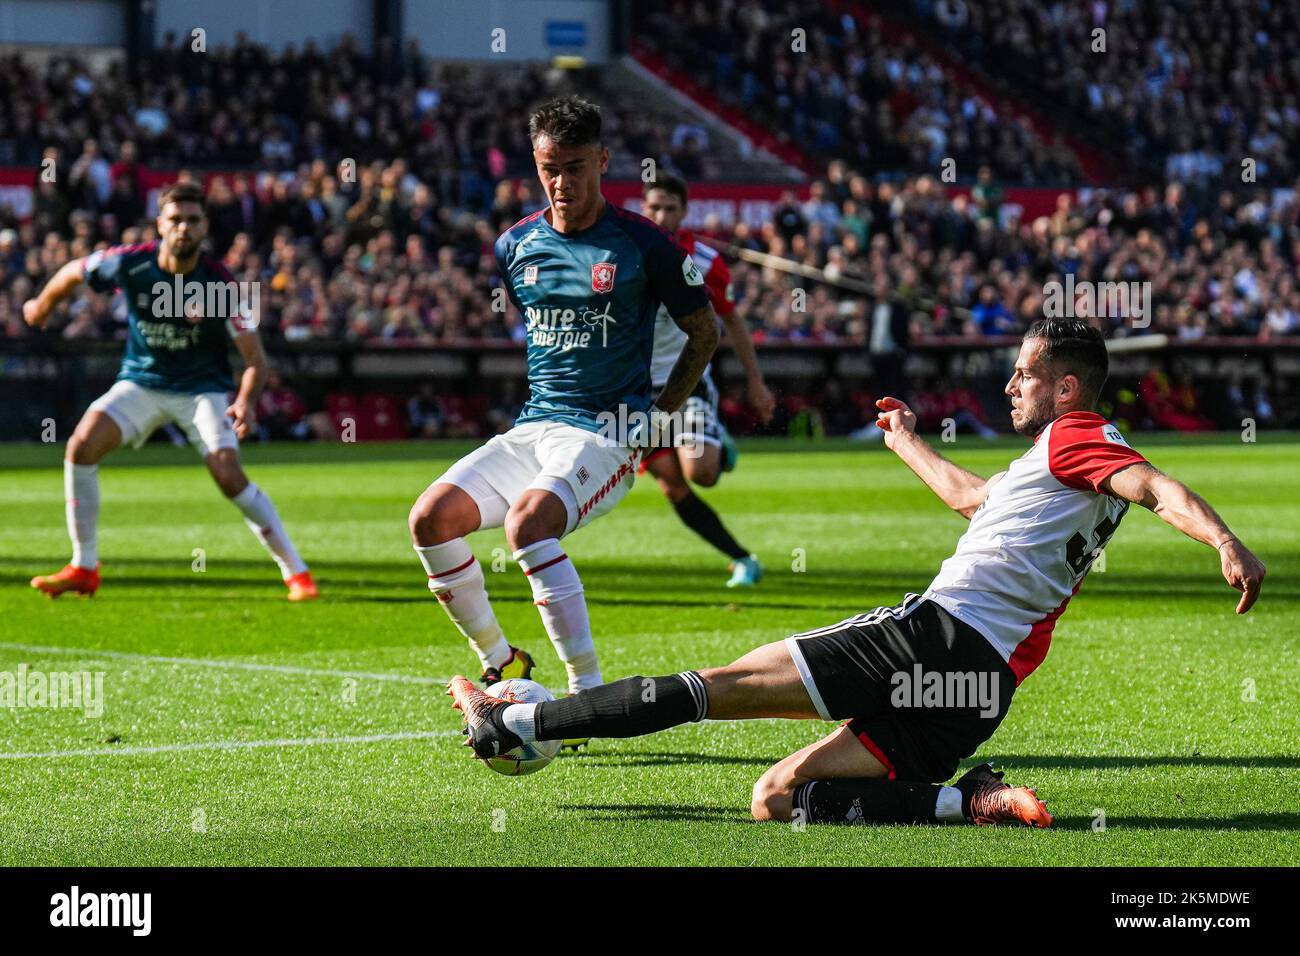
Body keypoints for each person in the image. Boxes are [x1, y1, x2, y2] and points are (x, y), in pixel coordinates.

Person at [449, 319, 1265, 827]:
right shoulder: (1060, 467)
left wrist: (1223, 539)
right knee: (774, 798)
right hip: (978, 691)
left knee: (715, 687)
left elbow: (1153, 484)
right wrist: (906, 439)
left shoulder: (1079, 437)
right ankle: (968, 802)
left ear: (1069, 387)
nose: (1011, 383)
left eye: (1025, 372)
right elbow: (975, 501)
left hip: (929, 640)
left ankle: (521, 724)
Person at [408, 97, 718, 712]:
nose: (562, 182)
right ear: (535, 162)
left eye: (576, 166)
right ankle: (501, 662)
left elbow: (704, 331)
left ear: (603, 161)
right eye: (550, 167)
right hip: (536, 425)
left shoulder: (643, 244)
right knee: (430, 520)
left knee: (528, 524)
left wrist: (660, 415)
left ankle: (587, 696)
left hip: (607, 433)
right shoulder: (514, 246)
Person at [26, 181, 317, 601]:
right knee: (81, 446)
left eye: (192, 220)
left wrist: (245, 402)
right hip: (142, 382)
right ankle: (84, 567)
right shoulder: (128, 263)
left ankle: (297, 573)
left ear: (204, 228)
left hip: (203, 392)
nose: (183, 228)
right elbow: (74, 271)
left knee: (228, 475)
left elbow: (256, 360)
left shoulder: (220, 285)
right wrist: (41, 306)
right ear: (159, 225)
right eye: (175, 219)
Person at [640, 173, 775, 587]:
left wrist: (756, 382)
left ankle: (716, 438)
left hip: (689, 380)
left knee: (700, 473)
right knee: (673, 486)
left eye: (670, 208)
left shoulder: (703, 260)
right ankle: (742, 559)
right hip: (640, 390)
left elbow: (731, 320)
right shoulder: (625, 253)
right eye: (654, 207)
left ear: (684, 212)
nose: (661, 215)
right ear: (644, 209)